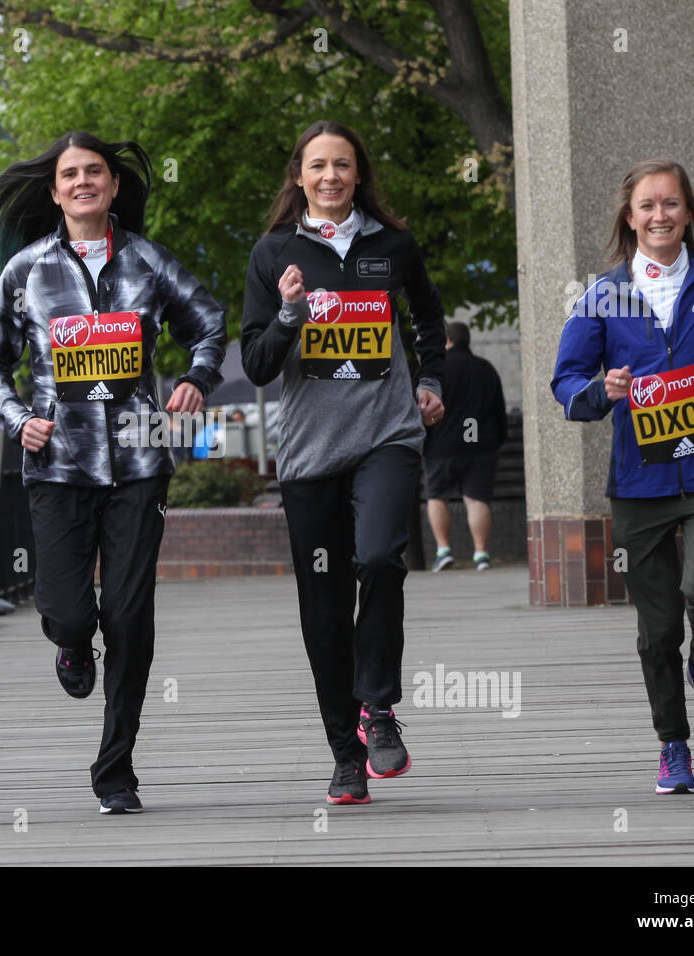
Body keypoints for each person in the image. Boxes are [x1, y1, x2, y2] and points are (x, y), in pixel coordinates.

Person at [0, 132, 225, 814]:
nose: (84, 182)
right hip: (56, 463)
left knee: (130, 616)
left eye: (96, 172)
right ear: (54, 192)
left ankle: (117, 769)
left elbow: (208, 322)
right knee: (67, 611)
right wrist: (17, 418)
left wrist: (197, 379)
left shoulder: (148, 262)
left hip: (139, 460)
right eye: (70, 174)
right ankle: (70, 644)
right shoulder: (25, 271)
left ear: (112, 187)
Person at [241, 120, 446, 805]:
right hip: (310, 455)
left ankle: (379, 707)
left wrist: (432, 381)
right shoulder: (273, 254)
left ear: (359, 175)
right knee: (324, 608)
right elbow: (258, 365)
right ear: (298, 177)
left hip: (386, 436)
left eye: (344, 165)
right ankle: (345, 754)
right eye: (318, 166)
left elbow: (428, 321)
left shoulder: (393, 247)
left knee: (383, 558)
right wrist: (291, 313)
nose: (331, 176)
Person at [551, 159, 694, 795]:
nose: (659, 215)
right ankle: (673, 746)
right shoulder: (602, 296)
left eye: (671, 204)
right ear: (630, 218)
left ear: (688, 214)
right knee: (657, 630)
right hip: (640, 485)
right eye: (647, 206)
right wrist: (603, 388)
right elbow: (565, 383)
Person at [424, 321, 508, 572]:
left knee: (437, 496)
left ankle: (443, 551)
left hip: (441, 446)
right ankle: (481, 554)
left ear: (447, 340)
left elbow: (425, 408)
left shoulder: (436, 370)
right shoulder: (486, 369)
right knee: (477, 499)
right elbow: (498, 411)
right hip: (480, 447)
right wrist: (496, 441)